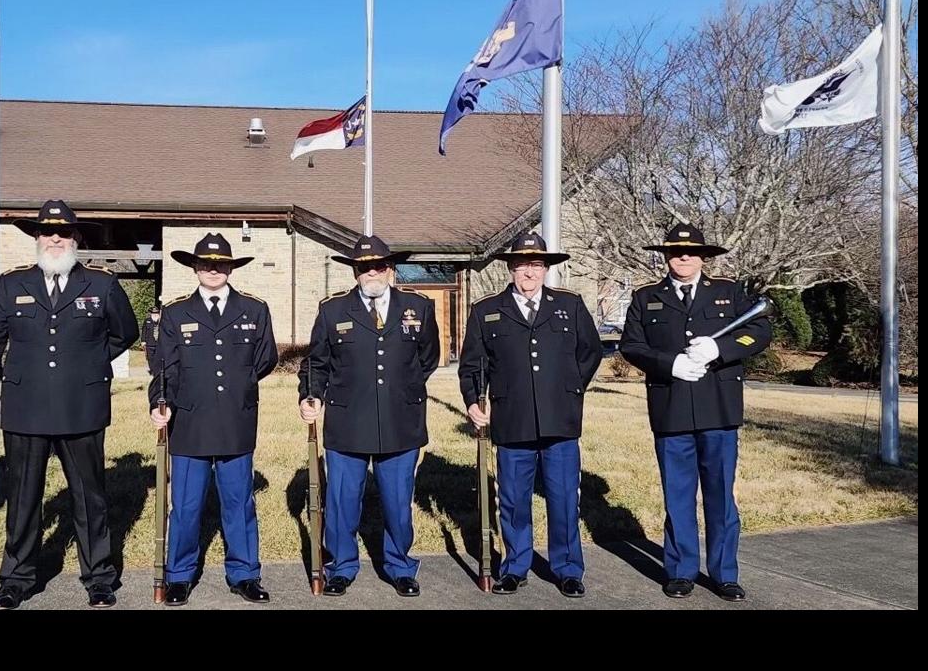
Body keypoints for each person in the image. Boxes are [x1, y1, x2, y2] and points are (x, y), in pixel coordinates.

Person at [0, 199, 139, 609]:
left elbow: (124, 332)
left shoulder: (101, 284)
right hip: (27, 407)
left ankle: (98, 577)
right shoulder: (12, 284)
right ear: (36, 238)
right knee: (23, 496)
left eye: (62, 232)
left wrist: (91, 362)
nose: (54, 238)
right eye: (46, 232)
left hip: (82, 406)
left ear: (76, 238)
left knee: (89, 496)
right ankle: (17, 578)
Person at [619, 222, 771, 601]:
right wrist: (669, 364)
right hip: (671, 409)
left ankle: (724, 573)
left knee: (720, 495)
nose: (683, 257)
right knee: (678, 495)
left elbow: (761, 330)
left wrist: (722, 350)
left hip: (718, 410)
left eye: (690, 252)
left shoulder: (727, 292)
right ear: (666, 256)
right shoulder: (645, 298)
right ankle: (681, 571)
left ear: (704, 257)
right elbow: (631, 346)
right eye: (674, 251)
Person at [457, 231, 603, 598]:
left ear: (545, 269)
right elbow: (472, 365)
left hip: (560, 420)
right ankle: (515, 566)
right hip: (512, 419)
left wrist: (570, 389)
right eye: (522, 265)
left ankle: (567, 568)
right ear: (511, 268)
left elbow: (591, 352)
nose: (529, 272)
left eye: (536, 265)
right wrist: (474, 401)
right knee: (513, 500)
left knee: (564, 497)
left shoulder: (569, 305)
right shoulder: (487, 310)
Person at [298, 235, 439, 598]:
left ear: (390, 270)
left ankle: (400, 566)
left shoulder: (418, 307)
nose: (371, 273)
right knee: (342, 501)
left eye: (378, 266)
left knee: (397, 501)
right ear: (355, 272)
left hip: (400, 420)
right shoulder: (332, 310)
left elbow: (427, 358)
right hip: (348, 421)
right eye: (364, 268)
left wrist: (399, 389)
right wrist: (310, 394)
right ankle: (341, 566)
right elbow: (316, 361)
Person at [148, 232, 278, 606]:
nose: (213, 270)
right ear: (194, 268)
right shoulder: (175, 313)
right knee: (186, 506)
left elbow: (265, 359)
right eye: (205, 264)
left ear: (231, 267)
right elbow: (163, 367)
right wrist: (161, 401)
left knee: (238, 504)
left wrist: (238, 385)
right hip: (189, 422)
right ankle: (179, 575)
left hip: (236, 420)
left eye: (221, 264)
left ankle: (245, 573)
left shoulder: (254, 310)